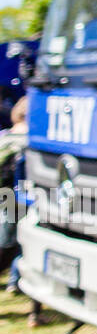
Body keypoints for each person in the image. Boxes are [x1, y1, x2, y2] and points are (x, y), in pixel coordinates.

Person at [0, 95, 29, 292]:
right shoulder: (27, 138)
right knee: (13, 242)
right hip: (16, 195)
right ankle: (14, 280)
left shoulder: (5, 134)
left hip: (5, 193)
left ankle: (14, 281)